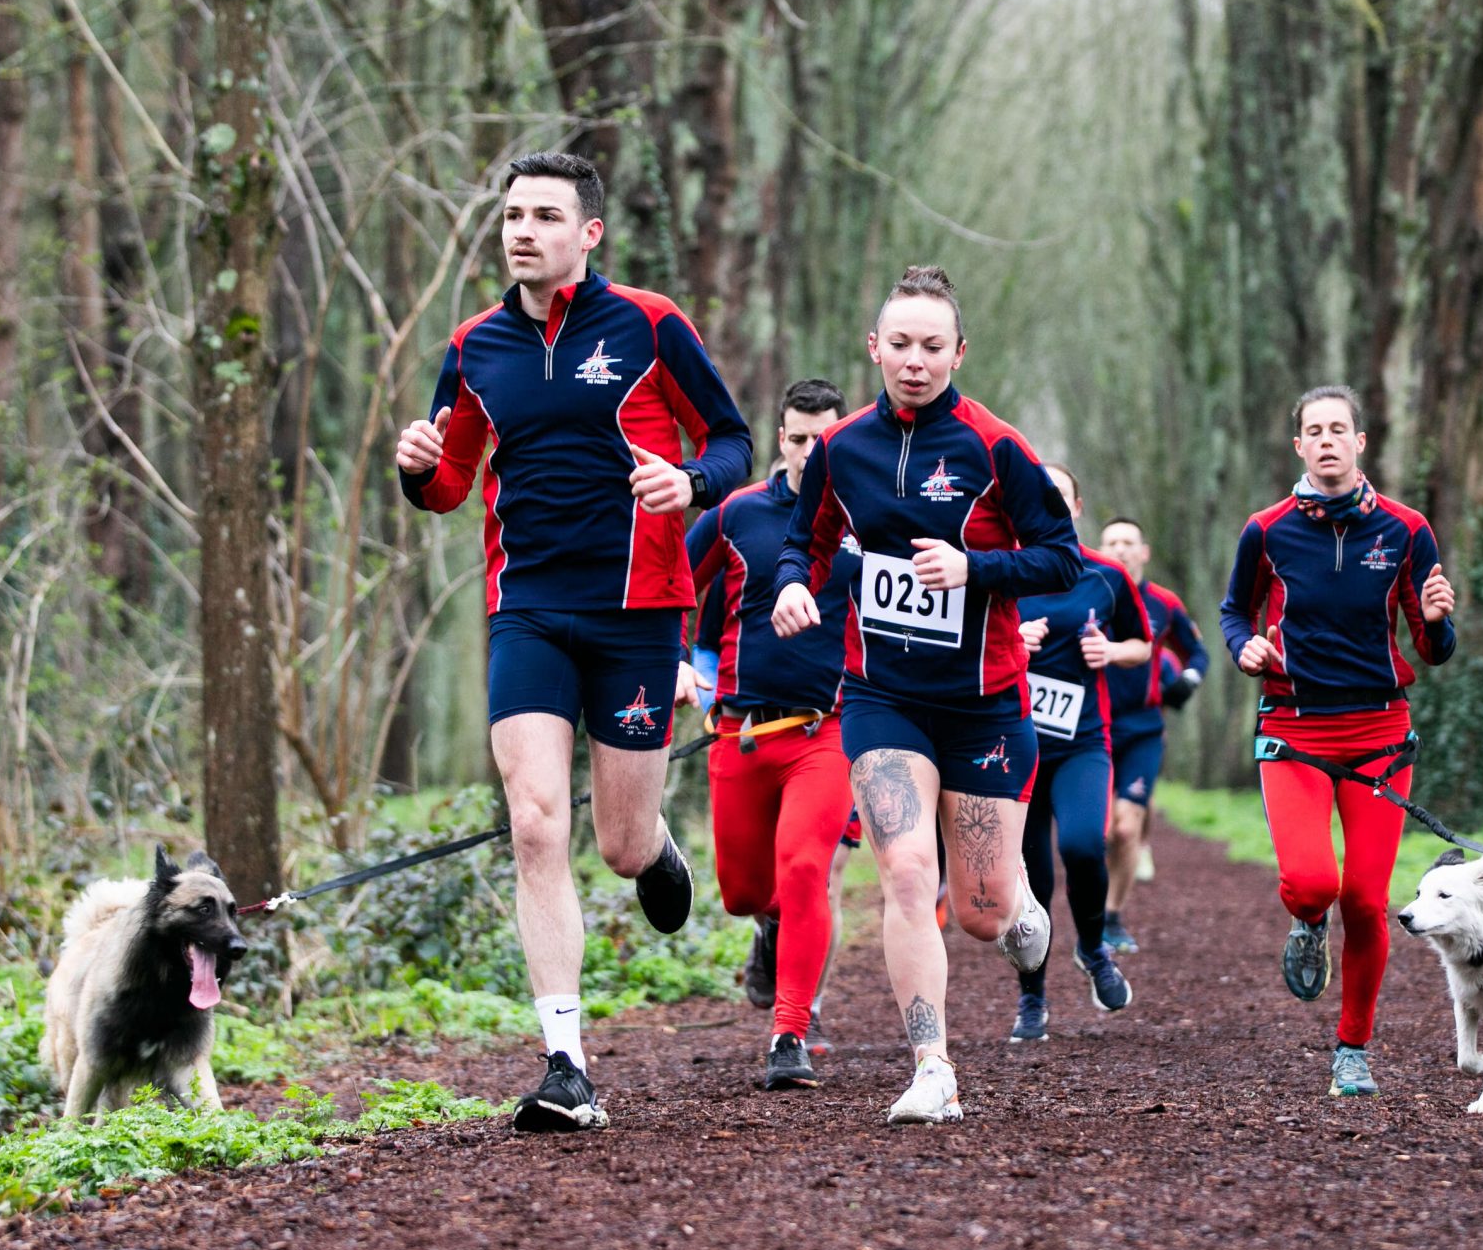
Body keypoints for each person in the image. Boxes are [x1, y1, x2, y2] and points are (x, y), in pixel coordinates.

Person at [396, 152, 752, 1132]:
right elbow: (448, 484)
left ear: (587, 234)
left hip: (638, 609)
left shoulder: (646, 323)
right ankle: (564, 1064)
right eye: (511, 214)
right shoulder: (473, 348)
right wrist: (415, 464)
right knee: (535, 822)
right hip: (528, 609)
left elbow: (731, 441)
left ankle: (654, 841)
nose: (522, 230)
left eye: (545, 215)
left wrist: (694, 486)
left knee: (618, 845)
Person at [771, 265, 1081, 1125]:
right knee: (908, 872)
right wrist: (796, 583)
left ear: (959, 352)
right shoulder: (843, 448)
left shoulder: (994, 447)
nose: (915, 361)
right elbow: (809, 539)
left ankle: (1019, 910)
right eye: (899, 344)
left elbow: (1062, 559)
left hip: (985, 703)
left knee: (981, 914)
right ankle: (932, 1067)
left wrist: (974, 570)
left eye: (932, 347)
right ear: (874, 347)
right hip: (882, 697)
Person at [1218, 384, 1456, 1099]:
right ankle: (1306, 923)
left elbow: (1431, 646)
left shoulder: (1408, 530)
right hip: (1293, 729)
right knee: (1314, 884)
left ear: (1359, 443)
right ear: (1299, 447)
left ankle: (1352, 1049)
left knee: (1368, 901)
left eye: (1338, 429)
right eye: (1313, 430)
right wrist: (1245, 649)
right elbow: (1235, 610)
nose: (1326, 440)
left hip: (1380, 731)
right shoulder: (1266, 529)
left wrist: (1442, 622)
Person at [685, 378, 858, 1090]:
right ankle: (766, 930)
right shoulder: (734, 516)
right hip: (739, 731)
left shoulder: (870, 523)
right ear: (779, 439)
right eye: (797, 438)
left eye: (825, 440)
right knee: (744, 890)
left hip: (827, 732)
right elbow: (669, 581)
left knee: (806, 871)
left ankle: (789, 1030)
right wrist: (677, 662)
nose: (810, 452)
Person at [1007, 465, 1151, 1042]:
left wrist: (1111, 652)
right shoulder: (1002, 570)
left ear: (1077, 506)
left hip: (1082, 741)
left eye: (1058, 497)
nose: (1048, 506)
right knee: (1032, 879)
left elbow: (1142, 646)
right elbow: (965, 646)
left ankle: (1093, 949)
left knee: (1084, 843)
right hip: (1015, 742)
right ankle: (1032, 999)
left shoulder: (1107, 576)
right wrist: (1012, 644)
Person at [1095, 517, 1211, 954]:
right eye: (1112, 542)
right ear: (1100, 550)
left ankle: (1111, 917)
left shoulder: (1163, 603)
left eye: (1128, 542)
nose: (1120, 549)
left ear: (1143, 551)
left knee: (1125, 830)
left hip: (1143, 729)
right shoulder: (1085, 590)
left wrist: (1190, 678)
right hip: (1092, 728)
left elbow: (1197, 651)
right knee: (1098, 831)